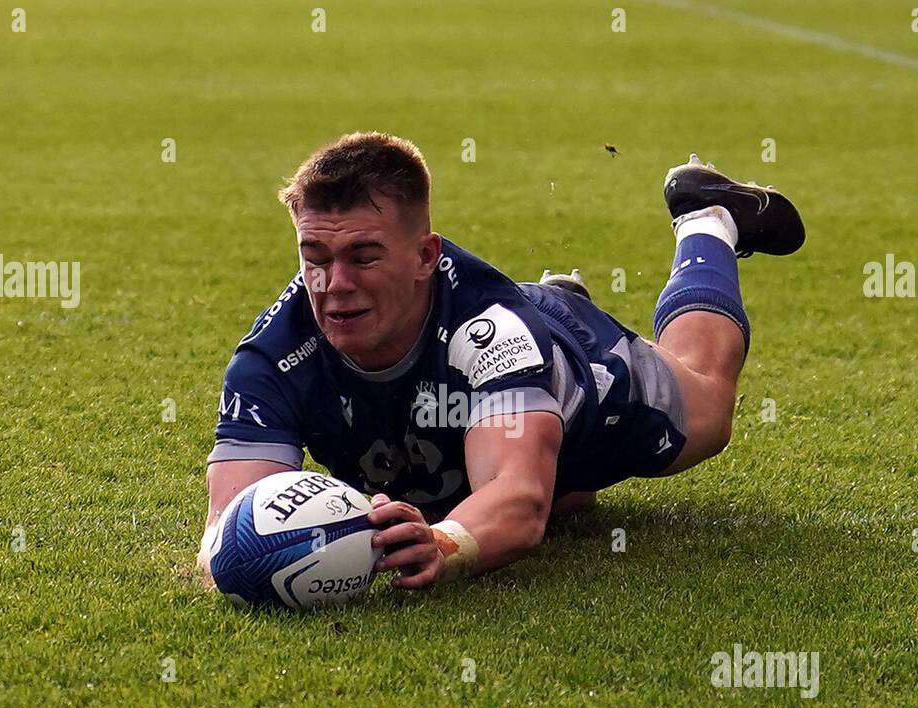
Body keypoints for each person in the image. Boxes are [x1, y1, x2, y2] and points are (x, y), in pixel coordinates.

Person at [198, 132, 804, 589]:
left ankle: (706, 219)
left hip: (575, 367)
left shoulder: (489, 332)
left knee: (708, 408)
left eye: (364, 256)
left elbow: (518, 500)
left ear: (425, 255)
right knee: (572, 501)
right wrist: (244, 557)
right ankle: (556, 320)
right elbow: (225, 528)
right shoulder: (271, 358)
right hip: (490, 411)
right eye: (316, 257)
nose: (334, 284)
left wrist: (442, 542)